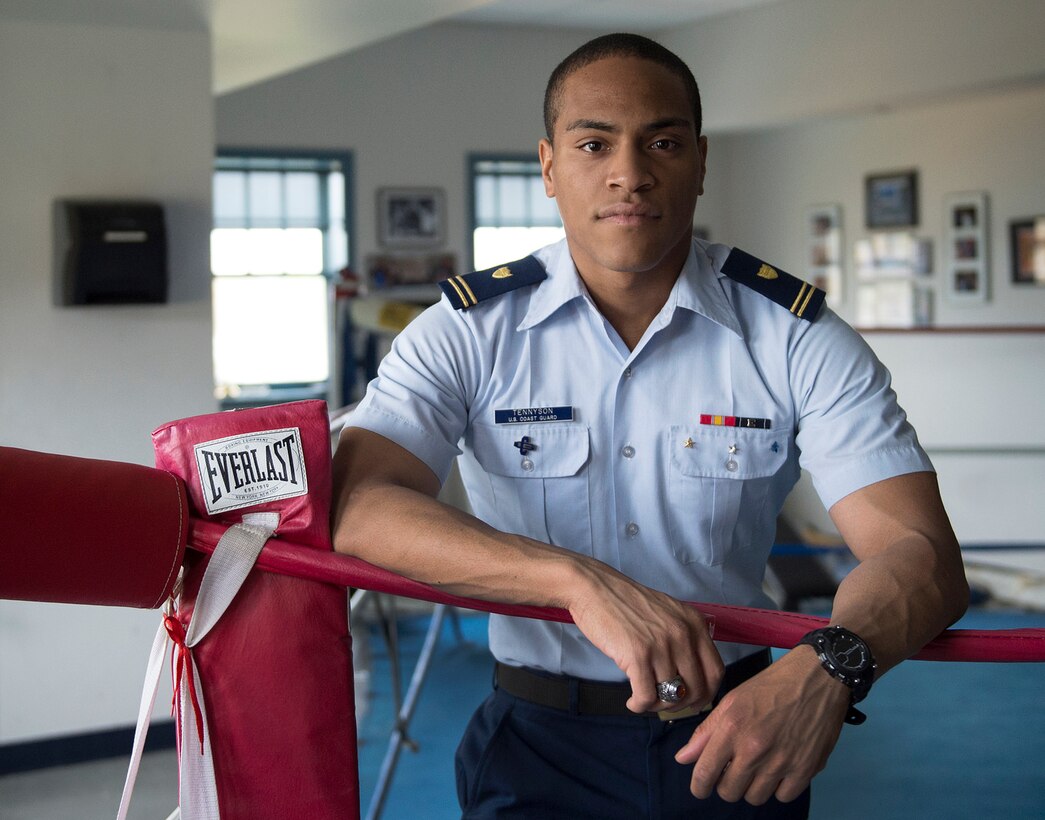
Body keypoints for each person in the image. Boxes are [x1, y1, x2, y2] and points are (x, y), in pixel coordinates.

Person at [332, 33, 968, 819]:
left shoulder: (792, 331)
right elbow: (359, 506)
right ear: (548, 166)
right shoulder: (468, 329)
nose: (627, 174)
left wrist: (830, 667)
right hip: (537, 744)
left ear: (699, 162)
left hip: (741, 737)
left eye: (660, 142)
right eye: (593, 143)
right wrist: (577, 583)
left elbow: (922, 556)